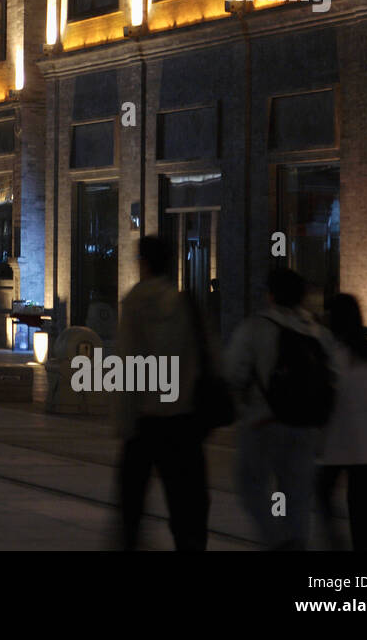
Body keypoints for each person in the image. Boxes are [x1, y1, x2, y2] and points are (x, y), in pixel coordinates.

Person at [226, 267, 334, 550]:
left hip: (264, 423)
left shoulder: (255, 327)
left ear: (270, 295)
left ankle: (277, 541)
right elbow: (332, 379)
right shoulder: (318, 333)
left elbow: (234, 374)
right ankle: (296, 542)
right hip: (306, 426)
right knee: (297, 495)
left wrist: (240, 408)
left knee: (251, 486)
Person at [115, 236, 207, 551]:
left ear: (144, 262)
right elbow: (207, 360)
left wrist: (125, 423)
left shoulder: (134, 303)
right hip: (181, 420)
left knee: (131, 508)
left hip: (145, 421)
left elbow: (127, 367)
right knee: (186, 507)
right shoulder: (186, 304)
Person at [317, 294, 367, 551]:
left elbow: (328, 397)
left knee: (320, 494)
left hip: (338, 441)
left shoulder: (333, 355)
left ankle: (335, 543)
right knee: (362, 506)